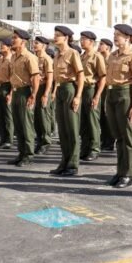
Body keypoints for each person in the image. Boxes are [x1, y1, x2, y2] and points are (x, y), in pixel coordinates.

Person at [104, 24, 132, 189]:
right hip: (111, 94)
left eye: (119, 35)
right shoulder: (112, 56)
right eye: (114, 34)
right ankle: (120, 172)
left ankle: (128, 174)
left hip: (125, 95)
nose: (115, 37)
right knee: (118, 136)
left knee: (128, 136)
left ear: (128, 38)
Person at [50, 26, 84, 176]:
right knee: (62, 130)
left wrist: (77, 96)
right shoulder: (57, 55)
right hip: (60, 90)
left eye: (58, 35)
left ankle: (72, 165)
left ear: (66, 38)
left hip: (70, 88)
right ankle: (64, 162)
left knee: (71, 129)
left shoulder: (73, 53)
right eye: (55, 34)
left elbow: (80, 75)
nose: (55, 37)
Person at [7, 29, 41, 166]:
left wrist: (33, 95)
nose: (12, 40)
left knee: (26, 124)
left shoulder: (29, 57)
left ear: (23, 41)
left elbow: (35, 77)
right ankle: (21, 153)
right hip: (15, 91)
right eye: (13, 37)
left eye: (15, 38)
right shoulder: (14, 57)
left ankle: (28, 154)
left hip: (25, 92)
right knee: (18, 125)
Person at [79, 31, 106, 161]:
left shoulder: (97, 57)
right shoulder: (81, 56)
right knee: (83, 121)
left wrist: (97, 96)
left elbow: (102, 77)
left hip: (91, 89)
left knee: (92, 121)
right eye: (81, 39)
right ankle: (85, 148)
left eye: (84, 39)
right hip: (81, 89)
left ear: (91, 42)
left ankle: (94, 149)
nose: (81, 41)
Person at [33, 37, 54, 154]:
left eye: (37, 43)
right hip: (36, 88)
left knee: (43, 116)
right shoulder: (34, 58)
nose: (34, 45)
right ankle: (39, 139)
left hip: (43, 88)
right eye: (34, 43)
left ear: (44, 46)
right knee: (36, 117)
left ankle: (46, 141)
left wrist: (46, 94)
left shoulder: (47, 59)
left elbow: (50, 78)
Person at [0, 38, 14, 149]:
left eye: (4, 45)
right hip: (1, 86)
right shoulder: (1, 60)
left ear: (9, 47)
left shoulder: (11, 60)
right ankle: (3, 139)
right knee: (1, 115)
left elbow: (12, 78)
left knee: (7, 116)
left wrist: (11, 93)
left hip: (8, 86)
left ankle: (9, 140)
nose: (1, 47)